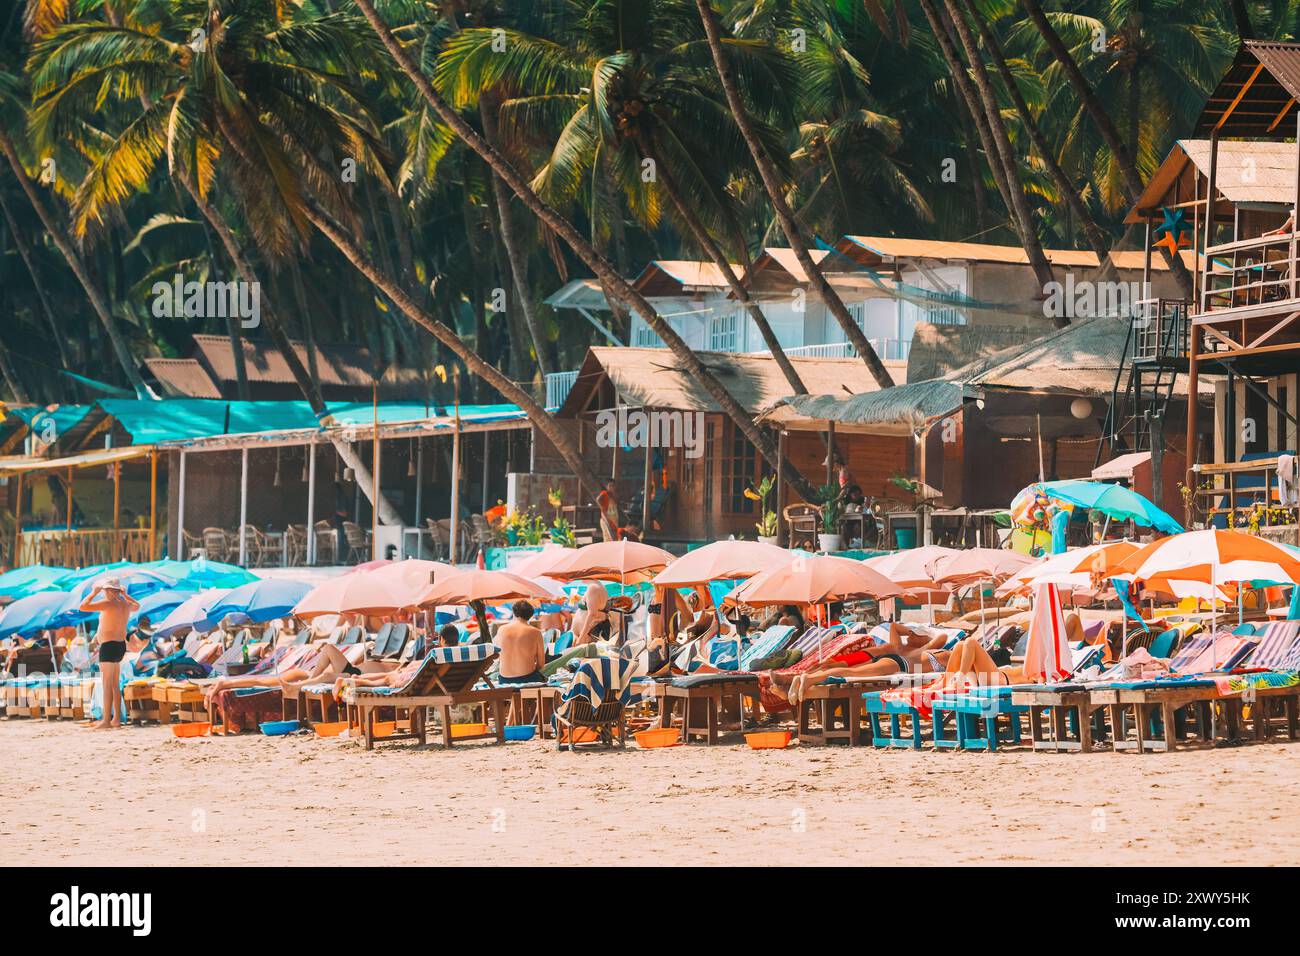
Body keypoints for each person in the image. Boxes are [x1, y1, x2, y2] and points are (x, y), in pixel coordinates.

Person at [78, 578, 140, 729]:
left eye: (105, 590)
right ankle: (116, 719)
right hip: (119, 646)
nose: (103, 592)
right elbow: (137, 605)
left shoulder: (108, 604)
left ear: (110, 591)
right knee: (114, 685)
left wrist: (93, 592)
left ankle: (106, 720)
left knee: (107, 685)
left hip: (109, 646)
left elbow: (83, 607)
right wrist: (125, 595)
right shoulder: (125, 604)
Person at [496, 601, 547, 684]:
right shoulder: (535, 632)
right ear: (530, 615)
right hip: (527, 678)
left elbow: (498, 656)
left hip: (504, 680)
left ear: (514, 613)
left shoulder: (501, 629)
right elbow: (541, 664)